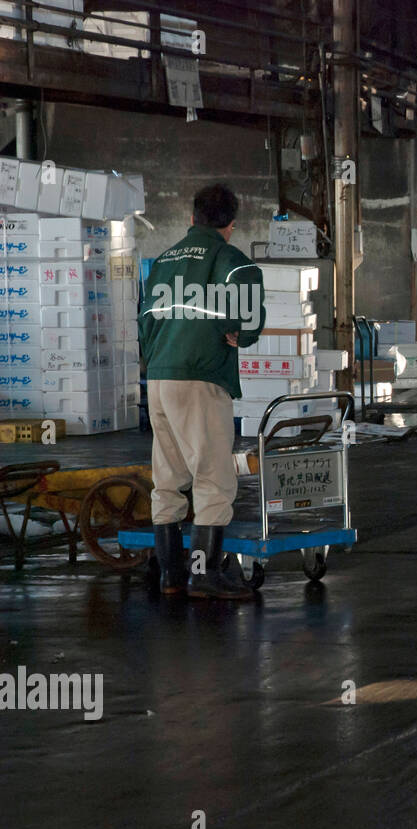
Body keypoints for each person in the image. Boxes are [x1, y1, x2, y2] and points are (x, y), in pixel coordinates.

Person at [138, 184, 265, 600]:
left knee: (169, 478)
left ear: (192, 219)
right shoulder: (231, 260)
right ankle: (205, 574)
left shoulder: (162, 262)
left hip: (159, 379)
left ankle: (171, 576)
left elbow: (145, 322)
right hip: (201, 379)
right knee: (213, 476)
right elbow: (248, 316)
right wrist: (239, 334)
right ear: (230, 226)